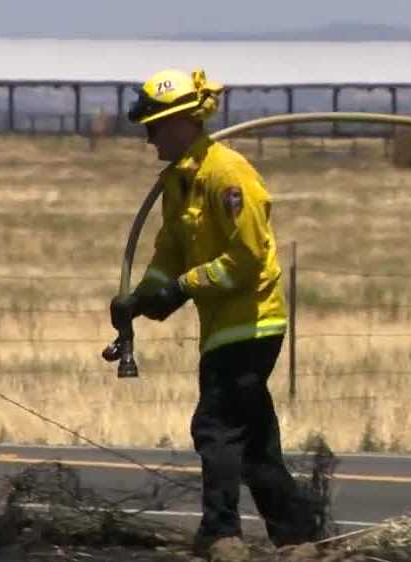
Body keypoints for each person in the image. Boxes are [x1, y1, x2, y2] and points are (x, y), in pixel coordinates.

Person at [109, 69, 313, 561]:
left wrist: (181, 289)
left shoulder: (228, 175)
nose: (149, 137)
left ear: (182, 122)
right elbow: (170, 251)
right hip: (222, 329)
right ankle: (299, 538)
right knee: (254, 437)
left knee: (215, 427)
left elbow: (244, 261)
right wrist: (140, 297)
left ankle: (222, 536)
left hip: (252, 324)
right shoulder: (178, 182)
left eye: (154, 127)